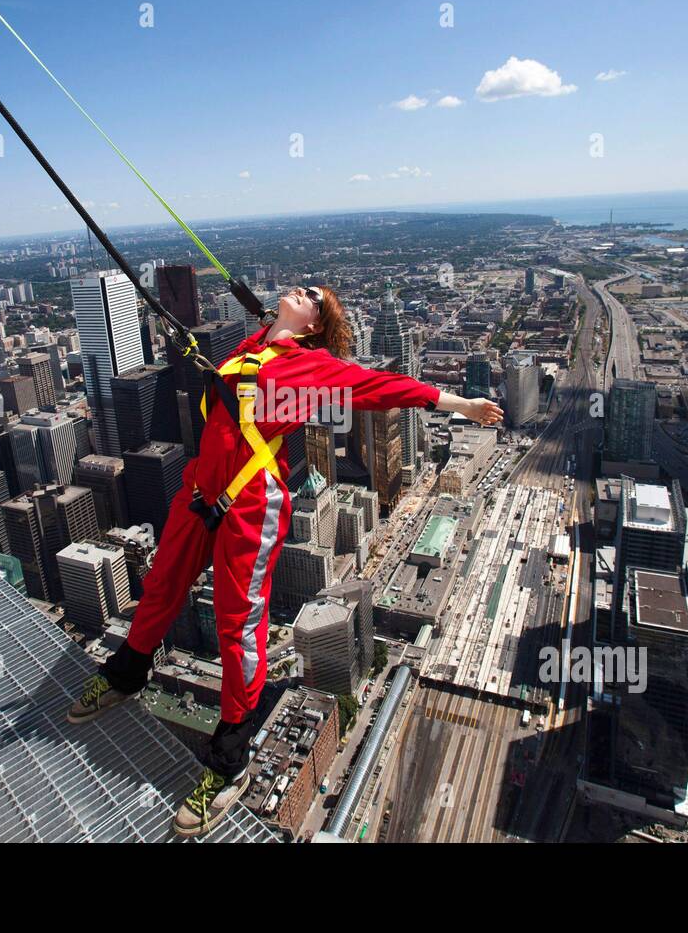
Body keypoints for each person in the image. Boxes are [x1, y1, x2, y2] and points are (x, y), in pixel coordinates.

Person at [66, 285, 502, 835]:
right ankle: (127, 674)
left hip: (250, 499)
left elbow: (379, 387)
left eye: (314, 296)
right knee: (160, 587)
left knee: (237, 624)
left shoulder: (310, 364)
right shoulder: (249, 346)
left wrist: (459, 405)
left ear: (316, 323)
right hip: (202, 485)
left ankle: (229, 764)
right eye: (303, 287)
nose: (302, 289)